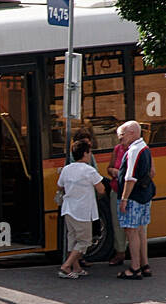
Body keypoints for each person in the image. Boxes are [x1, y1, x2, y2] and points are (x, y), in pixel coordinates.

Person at [57, 139, 106, 279]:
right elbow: (101, 189)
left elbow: (60, 186)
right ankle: (66, 266)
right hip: (83, 211)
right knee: (84, 242)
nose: (90, 155)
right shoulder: (89, 170)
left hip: (68, 209)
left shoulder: (66, 169)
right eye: (90, 152)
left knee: (72, 240)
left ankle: (76, 268)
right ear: (85, 153)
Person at [116, 120, 155, 280]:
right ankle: (145, 265)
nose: (120, 141)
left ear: (132, 133)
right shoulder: (145, 147)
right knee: (141, 231)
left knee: (131, 232)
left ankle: (135, 268)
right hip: (144, 196)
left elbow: (129, 177)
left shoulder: (133, 151)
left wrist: (124, 198)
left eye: (121, 136)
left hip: (133, 198)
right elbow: (152, 172)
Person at [102, 124, 130, 266]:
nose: (120, 140)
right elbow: (109, 167)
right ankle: (120, 252)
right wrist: (113, 171)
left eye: (121, 137)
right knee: (117, 223)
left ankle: (137, 257)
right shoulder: (117, 149)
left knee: (133, 225)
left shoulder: (136, 151)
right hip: (116, 190)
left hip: (131, 193)